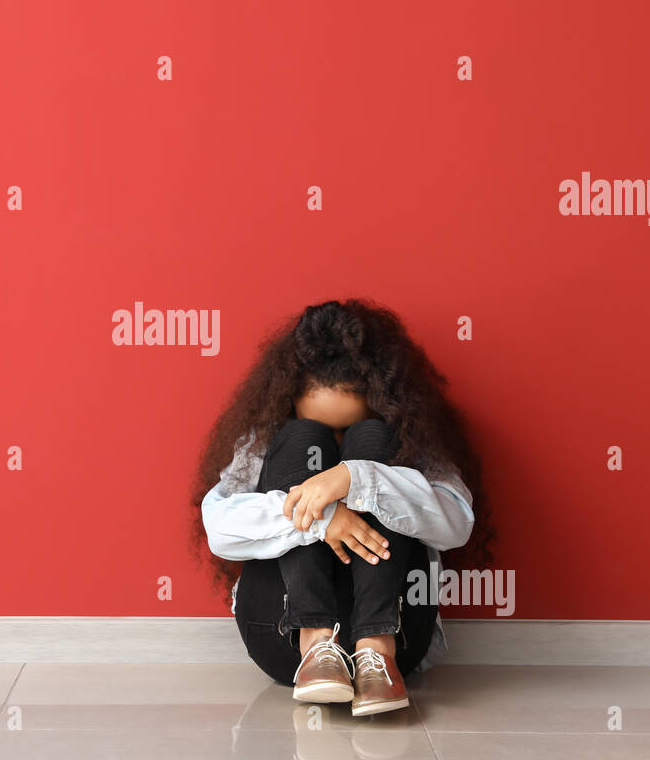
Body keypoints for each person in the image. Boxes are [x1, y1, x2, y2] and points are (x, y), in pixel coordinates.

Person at [190, 299, 496, 716]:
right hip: (283, 636)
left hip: (396, 638)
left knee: (374, 441)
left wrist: (357, 477)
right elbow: (220, 530)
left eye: (344, 429)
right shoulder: (266, 437)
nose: (334, 444)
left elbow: (457, 522)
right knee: (300, 440)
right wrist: (322, 519)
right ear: (288, 400)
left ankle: (375, 650)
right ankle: (318, 645)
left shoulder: (407, 433)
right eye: (328, 429)